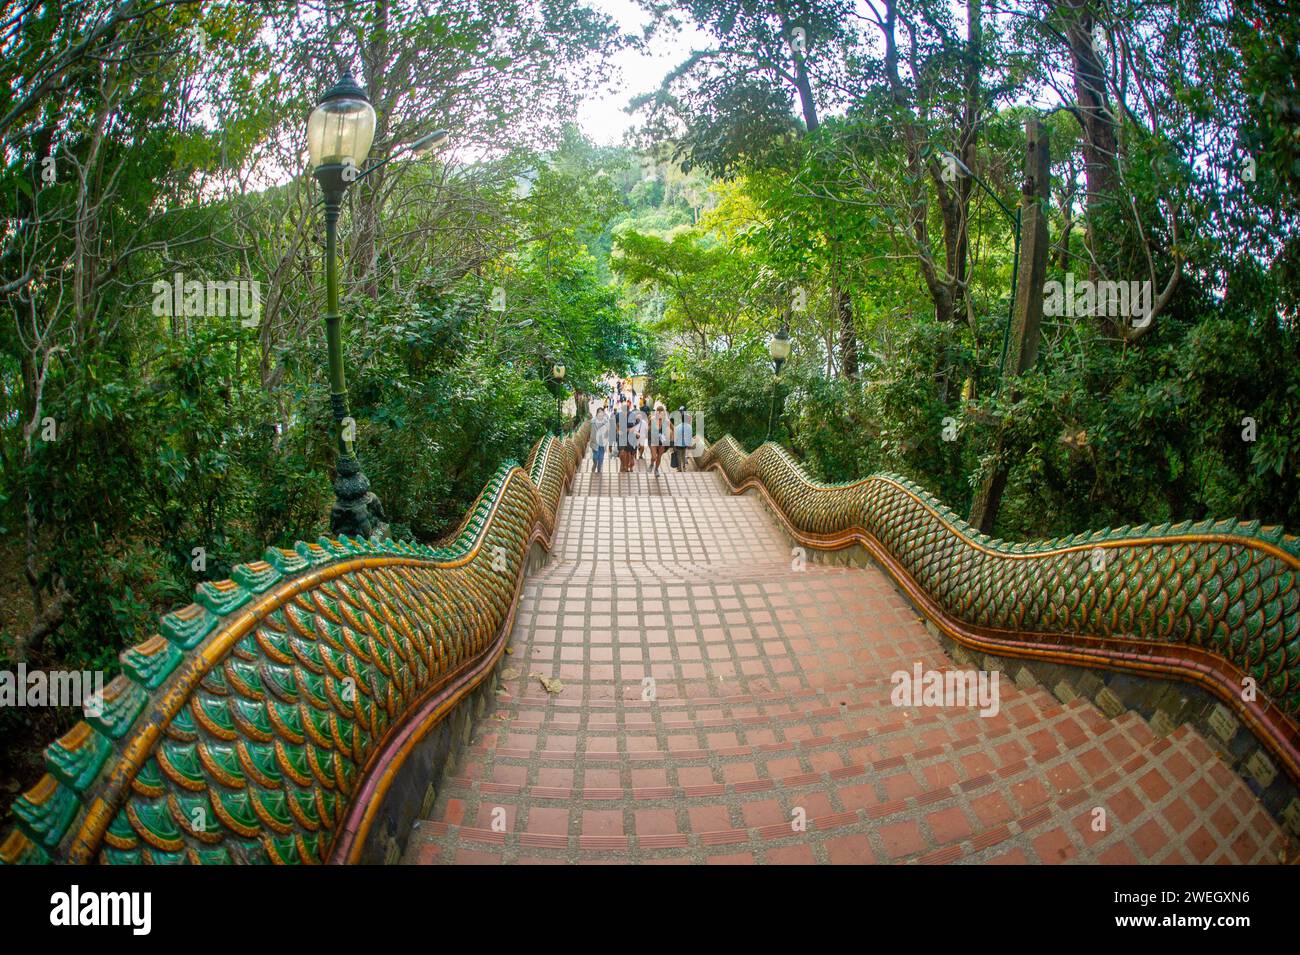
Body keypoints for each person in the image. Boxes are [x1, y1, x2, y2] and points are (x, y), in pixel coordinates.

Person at [649, 403, 674, 475]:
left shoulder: (666, 421)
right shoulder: (652, 419)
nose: (659, 414)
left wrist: (672, 439)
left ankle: (656, 469)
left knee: (659, 456)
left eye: (661, 413)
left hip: (662, 441)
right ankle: (651, 464)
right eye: (658, 413)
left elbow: (673, 429)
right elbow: (648, 428)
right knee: (654, 457)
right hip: (654, 440)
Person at [591, 405, 610, 474]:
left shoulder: (606, 422)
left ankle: (599, 469)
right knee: (595, 457)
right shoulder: (593, 421)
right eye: (599, 412)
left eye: (602, 412)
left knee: (601, 457)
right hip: (595, 442)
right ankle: (594, 465)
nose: (600, 414)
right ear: (596, 413)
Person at [674, 408, 693, 473]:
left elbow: (675, 436)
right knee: (683, 455)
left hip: (678, 444)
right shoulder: (689, 427)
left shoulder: (677, 427)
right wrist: (689, 443)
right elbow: (690, 436)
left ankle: (679, 469)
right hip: (685, 444)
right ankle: (684, 467)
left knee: (679, 456)